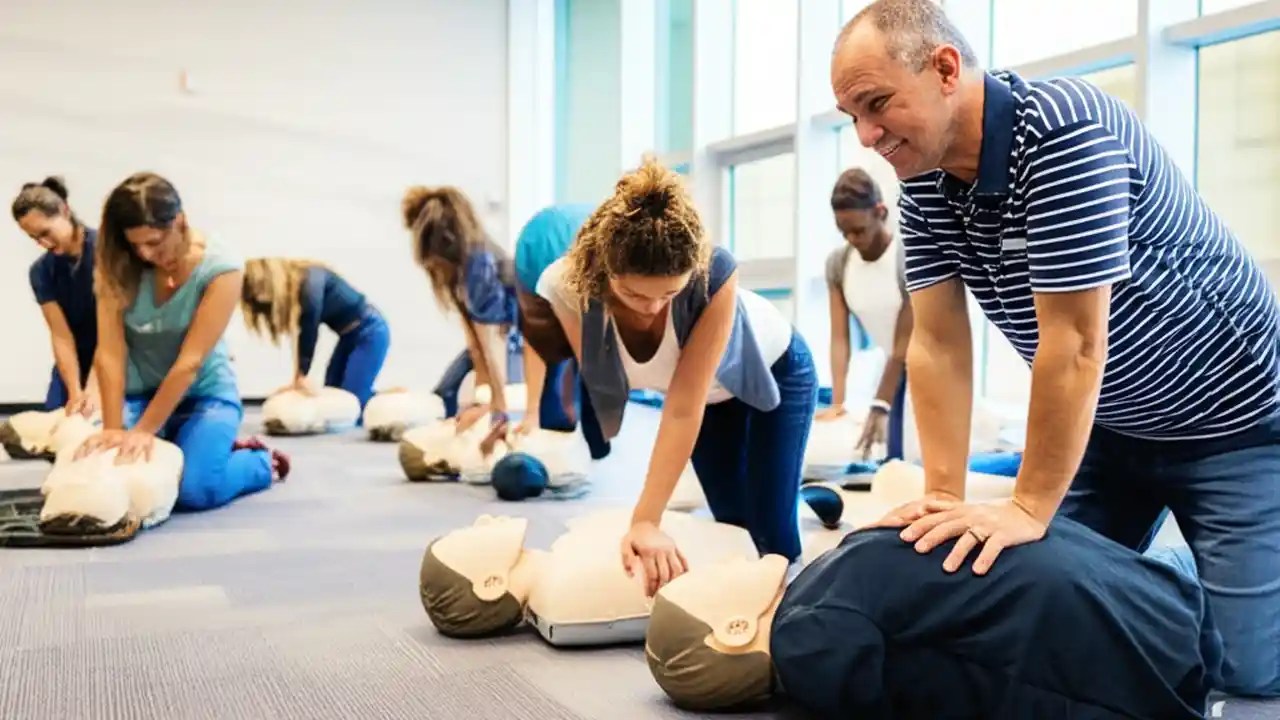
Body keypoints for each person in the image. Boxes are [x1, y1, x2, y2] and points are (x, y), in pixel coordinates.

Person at [832, 0, 1280, 697]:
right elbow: (939, 344)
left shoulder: (1063, 131)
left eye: (877, 104)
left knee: (1246, 673)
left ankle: (1204, 566)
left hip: (1234, 426)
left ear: (945, 69)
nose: (865, 135)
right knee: (1016, 590)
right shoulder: (922, 184)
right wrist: (941, 494)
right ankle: (1179, 566)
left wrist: (1029, 506)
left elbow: (1073, 344)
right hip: (1109, 425)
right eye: (851, 116)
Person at [537, 157, 817, 597]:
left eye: (669, 293)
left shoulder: (715, 275)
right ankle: (808, 499)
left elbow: (683, 406)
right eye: (633, 293)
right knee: (732, 521)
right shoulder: (567, 285)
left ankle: (790, 528)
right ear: (605, 271)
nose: (650, 308)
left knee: (772, 537)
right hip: (712, 400)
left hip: (777, 370)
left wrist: (645, 519)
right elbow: (600, 372)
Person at [73, 172, 289, 511]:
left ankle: (259, 462)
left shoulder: (222, 268)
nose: (146, 254)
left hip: (205, 395)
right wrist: (115, 428)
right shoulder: (118, 264)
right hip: (139, 394)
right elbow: (110, 353)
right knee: (110, 472)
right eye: (136, 245)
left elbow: (190, 362)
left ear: (180, 221)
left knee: (194, 491)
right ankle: (187, 444)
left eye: (156, 242)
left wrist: (144, 430)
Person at [401, 186, 519, 433]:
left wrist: (496, 407)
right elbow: (476, 345)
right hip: (496, 339)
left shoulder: (479, 264)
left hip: (519, 338)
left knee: (475, 403)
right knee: (445, 393)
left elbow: (492, 342)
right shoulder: (459, 271)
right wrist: (480, 396)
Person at [817, 167, 915, 461]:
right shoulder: (839, 263)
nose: (852, 239)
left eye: (858, 230)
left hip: (926, 360)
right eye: (843, 231)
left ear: (880, 212)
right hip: (892, 362)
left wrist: (882, 403)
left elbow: (903, 342)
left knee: (905, 456)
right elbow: (840, 339)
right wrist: (838, 401)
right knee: (885, 457)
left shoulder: (906, 257)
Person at [512, 204, 610, 458]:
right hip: (541, 251)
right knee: (555, 419)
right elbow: (534, 342)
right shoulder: (535, 275)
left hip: (574, 254)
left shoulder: (596, 268)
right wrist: (531, 412)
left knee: (597, 433)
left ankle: (594, 423)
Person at [240, 258, 391, 422]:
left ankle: (389, 400)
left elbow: (309, 325)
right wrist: (298, 376)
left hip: (370, 332)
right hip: (350, 337)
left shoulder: (311, 281)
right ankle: (380, 395)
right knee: (334, 396)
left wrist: (302, 376)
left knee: (353, 405)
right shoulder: (301, 284)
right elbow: (302, 333)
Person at [12, 177, 99, 416]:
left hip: (119, 352)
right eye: (34, 238)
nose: (43, 243)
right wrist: (75, 391)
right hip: (75, 357)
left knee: (98, 419)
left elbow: (114, 332)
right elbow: (61, 335)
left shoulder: (107, 253)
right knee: (60, 416)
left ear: (65, 211)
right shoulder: (41, 271)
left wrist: (92, 388)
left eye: (45, 232)